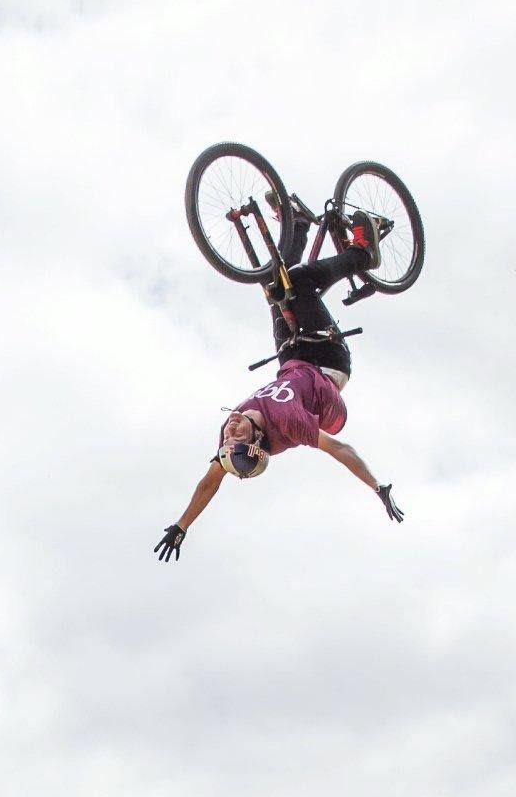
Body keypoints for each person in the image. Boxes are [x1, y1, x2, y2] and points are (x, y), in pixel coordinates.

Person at [154, 208, 404, 560]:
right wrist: (378, 486)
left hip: (291, 359)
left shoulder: (230, 435)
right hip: (327, 362)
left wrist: (182, 526)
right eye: (237, 436)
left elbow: (211, 481)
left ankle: (298, 222)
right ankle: (364, 254)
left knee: (274, 287)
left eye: (228, 438)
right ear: (258, 441)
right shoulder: (289, 424)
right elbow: (340, 450)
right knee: (299, 282)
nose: (231, 429)